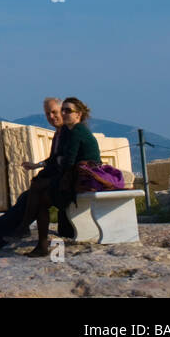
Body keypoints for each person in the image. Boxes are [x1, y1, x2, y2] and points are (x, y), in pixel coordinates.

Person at [0, 97, 64, 250]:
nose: (51, 117)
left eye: (54, 112)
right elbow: (54, 159)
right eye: (48, 113)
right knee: (26, 198)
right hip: (57, 182)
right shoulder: (59, 134)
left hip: (63, 185)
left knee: (30, 199)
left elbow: (64, 162)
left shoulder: (68, 133)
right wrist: (37, 165)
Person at [20, 96, 101, 257]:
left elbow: (68, 162)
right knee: (40, 195)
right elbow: (58, 159)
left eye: (67, 110)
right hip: (73, 177)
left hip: (82, 179)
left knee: (38, 188)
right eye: (62, 110)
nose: (63, 113)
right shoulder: (69, 132)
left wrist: (58, 161)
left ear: (78, 115)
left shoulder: (76, 132)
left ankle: (26, 230)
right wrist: (40, 165)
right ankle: (37, 241)